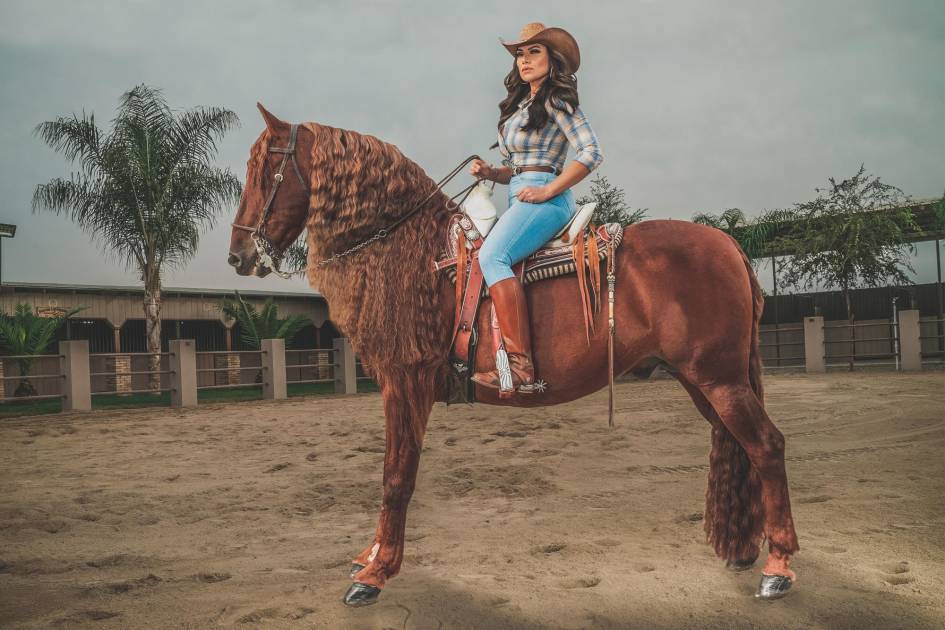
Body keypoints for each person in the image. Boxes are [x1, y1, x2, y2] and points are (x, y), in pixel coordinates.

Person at [469, 22, 603, 396]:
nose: (524, 60)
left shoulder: (557, 101)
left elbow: (591, 152)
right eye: (520, 54)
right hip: (519, 195)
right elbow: (518, 170)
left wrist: (549, 192)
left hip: (547, 197)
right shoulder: (521, 107)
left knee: (492, 256)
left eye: (534, 52)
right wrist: (489, 171)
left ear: (552, 59)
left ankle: (520, 366)